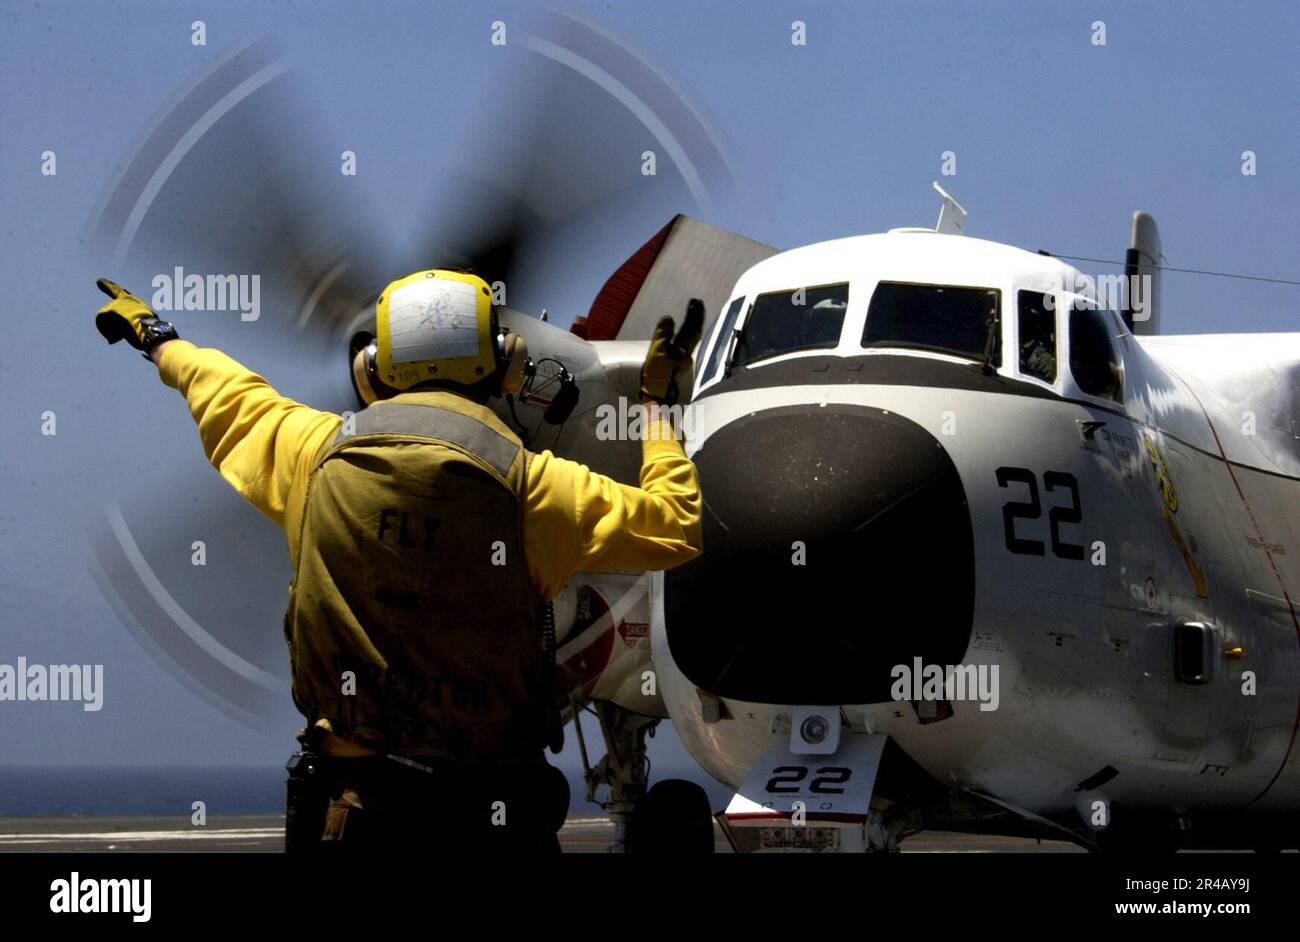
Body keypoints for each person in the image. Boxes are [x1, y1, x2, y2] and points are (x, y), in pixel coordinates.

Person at [93, 270, 704, 851]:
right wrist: (653, 404)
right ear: (510, 362)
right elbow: (676, 526)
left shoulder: (311, 454)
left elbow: (224, 390)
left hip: (352, 814)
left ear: (370, 373)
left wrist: (160, 341)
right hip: (488, 817)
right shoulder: (537, 491)